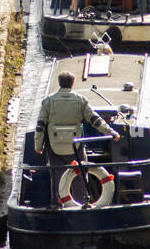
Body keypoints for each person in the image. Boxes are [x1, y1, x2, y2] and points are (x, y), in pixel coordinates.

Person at [34, 71, 120, 208]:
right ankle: (82, 203)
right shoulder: (80, 100)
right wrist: (112, 132)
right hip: (76, 146)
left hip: (54, 147)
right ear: (72, 84)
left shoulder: (48, 101)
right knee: (80, 173)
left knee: (58, 175)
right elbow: (95, 120)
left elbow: (40, 126)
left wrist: (38, 146)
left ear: (60, 83)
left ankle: (58, 205)